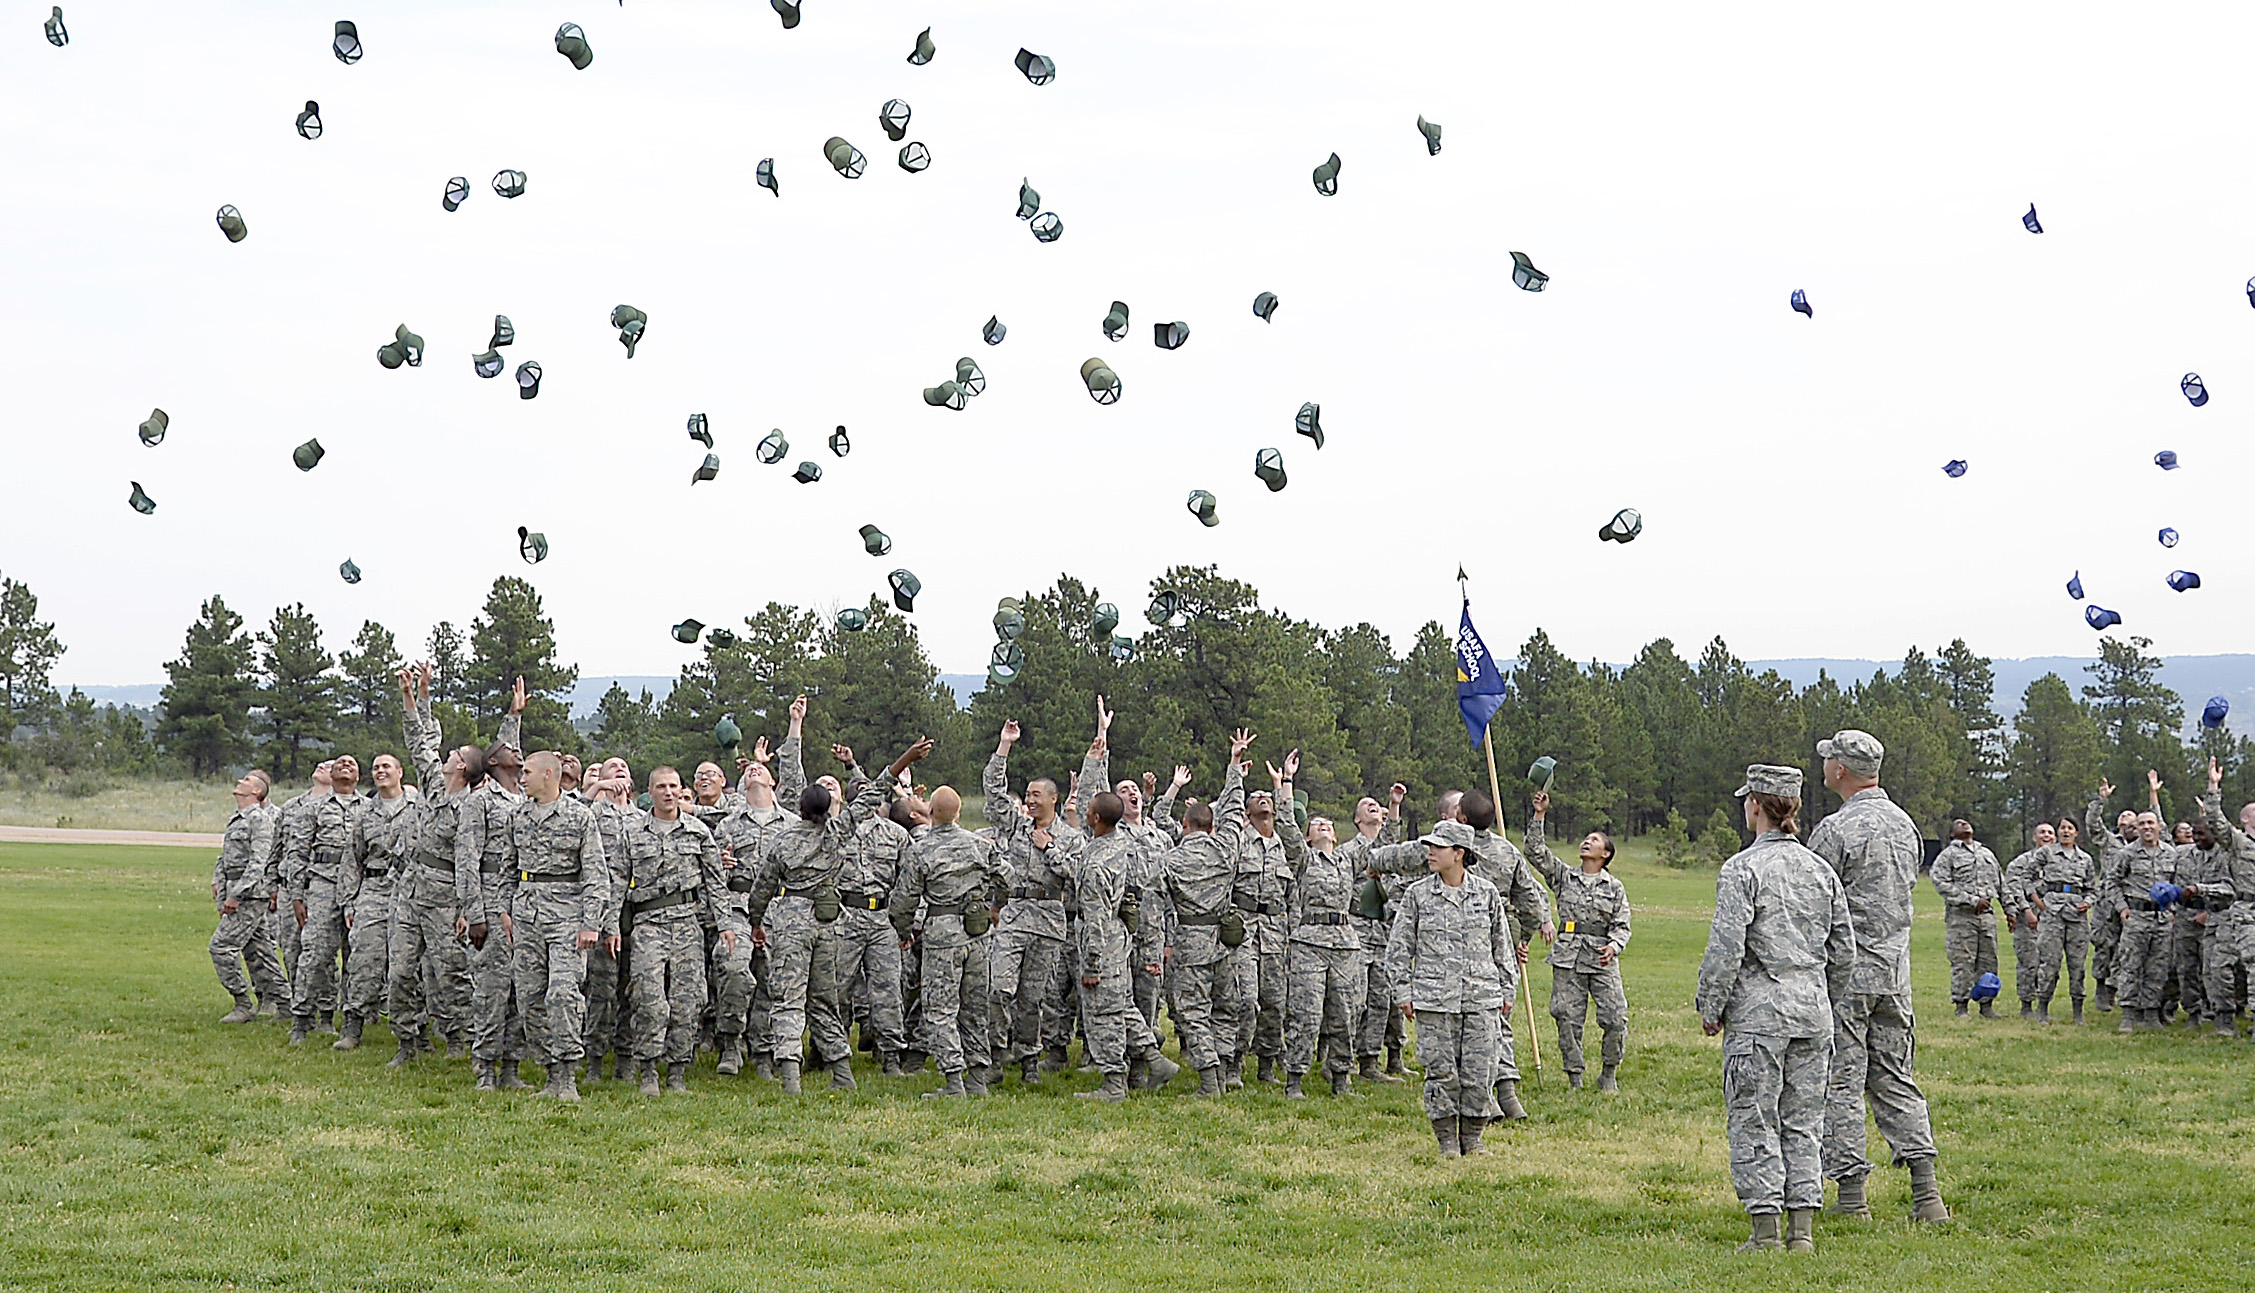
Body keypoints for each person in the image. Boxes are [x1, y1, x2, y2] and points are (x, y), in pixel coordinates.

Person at [1695, 765, 1855, 1254]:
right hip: (1812, 1012)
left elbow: (1726, 947)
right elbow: (1844, 951)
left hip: (1759, 1016)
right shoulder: (1820, 870)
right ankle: (1802, 1232)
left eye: (1748, 800)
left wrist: (1711, 1005)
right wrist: (1821, 994)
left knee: (1755, 1118)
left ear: (1757, 806)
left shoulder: (1743, 869)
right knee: (1805, 1120)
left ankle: (1765, 1231)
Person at [1805, 729, 1948, 1223]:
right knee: (1895, 1077)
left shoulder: (1835, 830)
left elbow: (1814, 901)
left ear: (1840, 769)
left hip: (1846, 976)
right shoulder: (1904, 826)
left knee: (1841, 1082)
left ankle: (1851, 1200)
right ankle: (1927, 1196)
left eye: (1828, 760)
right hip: (1895, 974)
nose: (1824, 766)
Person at [749, 735, 926, 1094]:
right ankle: (842, 1074)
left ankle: (790, 1077)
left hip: (792, 922)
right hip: (829, 923)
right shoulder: (839, 831)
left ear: (799, 808)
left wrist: (756, 922)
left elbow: (762, 888)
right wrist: (904, 759)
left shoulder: (783, 840)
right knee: (825, 999)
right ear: (830, 807)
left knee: (789, 999)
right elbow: (872, 795)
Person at [1384, 818, 1516, 1159]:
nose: (1430, 852)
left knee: (1478, 1072)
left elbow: (1501, 945)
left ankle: (1473, 1139)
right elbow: (1398, 949)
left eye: (1439, 847)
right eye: (1430, 846)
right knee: (1441, 1072)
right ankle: (1446, 1141)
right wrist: (1403, 993)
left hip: (1480, 999)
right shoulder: (1417, 894)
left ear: (1459, 853)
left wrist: (1506, 990)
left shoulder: (1486, 894)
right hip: (1433, 1001)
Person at [500, 750, 615, 1102]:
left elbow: (596, 874)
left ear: (549, 774)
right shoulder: (517, 816)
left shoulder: (579, 817)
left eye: (528, 771)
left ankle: (567, 1075)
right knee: (531, 997)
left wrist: (591, 923)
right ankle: (550, 1073)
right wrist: (504, 909)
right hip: (528, 914)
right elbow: (506, 867)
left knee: (563, 994)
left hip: (568, 915)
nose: (522, 777)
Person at [619, 765, 731, 1094]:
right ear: (649, 792)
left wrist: (725, 924)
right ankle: (649, 1068)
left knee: (687, 1001)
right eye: (661, 787)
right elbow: (615, 883)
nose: (668, 793)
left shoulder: (697, 832)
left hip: (687, 925)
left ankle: (678, 1070)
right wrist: (610, 926)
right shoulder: (632, 833)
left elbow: (715, 882)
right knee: (649, 1000)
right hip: (648, 924)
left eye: (673, 786)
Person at [891, 783, 1006, 1097]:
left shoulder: (921, 849)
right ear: (958, 812)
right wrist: (994, 906)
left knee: (940, 1009)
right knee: (975, 1007)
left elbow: (903, 901)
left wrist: (904, 932)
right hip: (978, 934)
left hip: (942, 934)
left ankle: (954, 1080)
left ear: (930, 812)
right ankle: (978, 1077)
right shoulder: (980, 845)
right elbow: (1006, 877)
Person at [389, 664, 478, 1067]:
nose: (446, 755)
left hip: (445, 897)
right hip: (411, 891)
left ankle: (462, 1039)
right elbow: (418, 740)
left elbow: (469, 861)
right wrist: (413, 692)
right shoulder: (433, 783)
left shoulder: (471, 807)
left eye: (454, 755)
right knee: (401, 971)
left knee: (452, 975)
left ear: (463, 768)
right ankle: (409, 1041)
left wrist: (465, 909)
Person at [713, 705, 805, 1079]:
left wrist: (795, 725)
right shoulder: (728, 823)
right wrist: (721, 864)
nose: (754, 769)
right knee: (734, 970)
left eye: (762, 770)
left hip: (781, 909)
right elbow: (713, 875)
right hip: (738, 904)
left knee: (774, 981)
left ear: (774, 784)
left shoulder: (793, 824)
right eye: (750, 768)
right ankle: (731, 1043)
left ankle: (765, 1053)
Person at [984, 718, 1077, 1082]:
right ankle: (994, 1056)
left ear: (1054, 799)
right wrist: (1005, 745)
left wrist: (1050, 848)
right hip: (1014, 915)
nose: (1032, 799)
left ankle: (1028, 1062)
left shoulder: (1069, 837)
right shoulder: (1016, 827)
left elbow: (1074, 873)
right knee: (999, 988)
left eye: (1038, 794)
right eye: (1029, 794)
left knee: (1033, 998)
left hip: (1049, 919)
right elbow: (993, 791)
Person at [1161, 731, 1253, 1096]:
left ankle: (1208, 1076)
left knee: (1192, 1010)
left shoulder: (1172, 858)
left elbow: (1157, 902)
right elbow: (1233, 810)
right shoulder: (1226, 848)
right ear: (1211, 827)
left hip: (1190, 940)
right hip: (1225, 940)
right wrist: (1234, 767)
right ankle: (1225, 1070)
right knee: (1227, 1007)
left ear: (1185, 826)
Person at [1525, 789, 1632, 1091]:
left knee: (1615, 1018)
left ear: (1606, 854)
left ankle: (1608, 1071)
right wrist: (1539, 815)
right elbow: (1535, 852)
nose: (1587, 842)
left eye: (1595, 840)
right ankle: (1575, 1076)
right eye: (1586, 838)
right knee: (1567, 1018)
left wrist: (1614, 946)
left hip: (1600, 957)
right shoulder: (1563, 876)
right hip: (1569, 955)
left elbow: (1623, 925)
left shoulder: (1614, 887)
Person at [456, 679, 528, 1090]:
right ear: (495, 763)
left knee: (519, 988)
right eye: (510, 751)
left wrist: (515, 715)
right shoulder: (480, 801)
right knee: (490, 990)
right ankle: (484, 1068)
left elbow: (509, 746)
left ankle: (512, 1068)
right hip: (490, 900)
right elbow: (466, 860)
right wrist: (476, 914)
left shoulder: (526, 800)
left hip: (525, 906)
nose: (517, 753)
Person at [1282, 756, 1367, 1098]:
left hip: (1344, 944)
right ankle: (1294, 1079)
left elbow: (1379, 843)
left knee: (1344, 1013)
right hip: (1309, 943)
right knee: (1306, 1013)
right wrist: (1287, 782)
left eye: (1329, 824)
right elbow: (1286, 827)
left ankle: (1341, 1078)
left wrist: (1392, 808)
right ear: (1309, 834)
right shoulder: (1303, 858)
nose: (1324, 826)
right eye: (1317, 824)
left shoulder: (1347, 859)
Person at [283, 754, 365, 1046]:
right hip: (322, 886)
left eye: (352, 764)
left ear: (358, 777)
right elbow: (297, 853)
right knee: (315, 955)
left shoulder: (369, 809)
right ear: (330, 775)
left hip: (359, 890)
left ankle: (348, 1024)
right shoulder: (313, 809)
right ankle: (303, 1020)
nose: (345, 765)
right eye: (339, 763)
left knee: (357, 959)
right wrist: (296, 895)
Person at [336, 751, 414, 1052]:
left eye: (386, 767)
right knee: (364, 961)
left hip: (408, 892)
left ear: (400, 772)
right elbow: (351, 859)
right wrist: (350, 903)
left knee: (408, 965)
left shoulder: (416, 808)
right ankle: (353, 1024)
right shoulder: (364, 813)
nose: (380, 771)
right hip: (373, 890)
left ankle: (413, 1032)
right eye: (376, 768)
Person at [1234, 759, 1304, 1086]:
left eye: (1268, 797)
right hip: (1244, 930)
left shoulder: (1286, 848)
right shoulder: (1237, 843)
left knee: (1275, 1004)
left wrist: (1284, 782)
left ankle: (1266, 1066)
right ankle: (1233, 1063)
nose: (1264, 798)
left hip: (1276, 934)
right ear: (1247, 813)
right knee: (1247, 1001)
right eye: (1257, 796)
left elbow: (1294, 894)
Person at [581, 756, 640, 1080]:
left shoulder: (642, 819)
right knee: (600, 993)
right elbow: (571, 815)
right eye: (611, 767)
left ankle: (625, 1060)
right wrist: (597, 788)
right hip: (600, 914)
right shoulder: (590, 814)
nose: (619, 769)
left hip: (634, 915)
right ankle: (593, 1060)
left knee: (631, 992)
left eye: (624, 767)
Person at [209, 770, 284, 1022]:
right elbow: (226, 858)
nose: (240, 781)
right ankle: (287, 1005)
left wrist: (237, 895)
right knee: (262, 952)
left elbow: (258, 862)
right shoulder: (237, 818)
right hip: (236, 891)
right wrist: (220, 887)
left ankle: (242, 1003)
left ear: (257, 792)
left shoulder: (260, 819)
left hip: (250, 897)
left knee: (221, 947)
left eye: (247, 781)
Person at [2101, 793, 2178, 1033]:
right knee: (2131, 965)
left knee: (2158, 967)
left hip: (2162, 919)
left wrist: (2173, 908)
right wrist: (2122, 907)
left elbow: (2178, 883)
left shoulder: (2170, 853)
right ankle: (2128, 1014)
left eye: (2149, 823)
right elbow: (2111, 882)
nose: (2145, 827)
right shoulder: (2127, 853)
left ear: (2159, 827)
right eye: (2141, 824)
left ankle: (2151, 1013)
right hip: (2137, 916)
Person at [2195, 757, 2255, 1039]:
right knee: (2221, 966)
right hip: (2240, 910)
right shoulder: (2238, 842)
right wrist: (2213, 787)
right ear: (2245, 819)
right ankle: (2224, 1018)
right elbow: (2216, 821)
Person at [2084, 781, 2151, 1013]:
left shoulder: (2146, 848)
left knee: (2131, 948)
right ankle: (2103, 989)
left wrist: (2153, 794)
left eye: (2133, 817)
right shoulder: (2109, 841)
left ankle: (2123, 989)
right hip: (2108, 903)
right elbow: (2092, 825)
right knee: (2105, 945)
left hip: (2135, 902)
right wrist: (2101, 800)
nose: (2128, 819)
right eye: (2124, 816)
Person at [1928, 820, 2002, 1019]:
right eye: (1958, 824)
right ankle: (1961, 1005)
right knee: (1963, 962)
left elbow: (2000, 883)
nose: (1964, 823)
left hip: (1986, 918)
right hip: (1961, 917)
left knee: (1989, 961)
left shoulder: (1986, 853)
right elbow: (1940, 881)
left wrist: (2010, 911)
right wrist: (1970, 900)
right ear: (1952, 834)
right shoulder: (1948, 855)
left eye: (1966, 822)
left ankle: (1986, 1006)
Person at [2026, 818, 2098, 1024]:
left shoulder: (2085, 858)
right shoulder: (2046, 853)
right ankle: (2042, 1009)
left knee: (2077, 966)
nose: (2065, 832)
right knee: (2050, 964)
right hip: (2052, 915)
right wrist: (2037, 901)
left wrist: (2088, 901)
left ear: (2076, 833)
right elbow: (2026, 877)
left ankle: (2078, 1012)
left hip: (2076, 916)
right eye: (2062, 828)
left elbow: (2092, 888)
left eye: (2070, 829)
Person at [2000, 824, 2054, 1018]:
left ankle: (2043, 1004)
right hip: (2027, 920)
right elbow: (2013, 887)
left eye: (2050, 833)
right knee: (2029, 962)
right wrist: (2025, 910)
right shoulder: (2021, 862)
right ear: (2034, 837)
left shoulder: (2058, 861)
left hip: (2051, 921)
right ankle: (2026, 1005)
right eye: (2042, 833)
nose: (2046, 836)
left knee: (2047, 963)